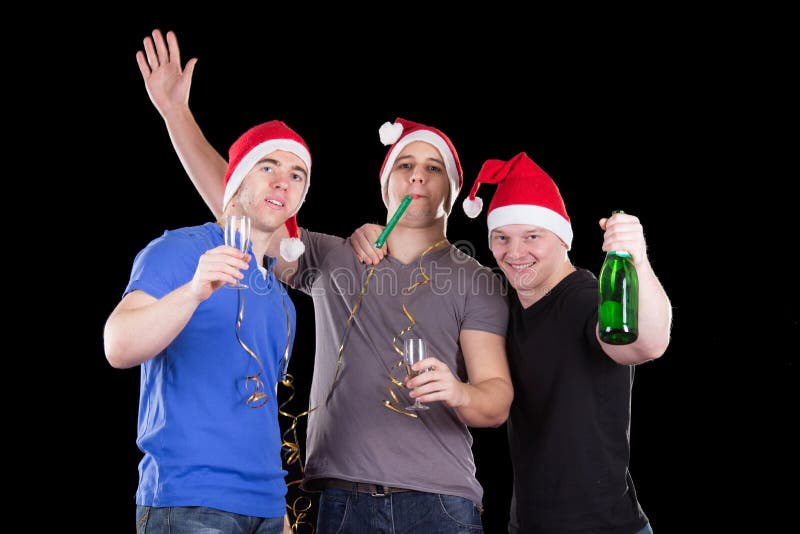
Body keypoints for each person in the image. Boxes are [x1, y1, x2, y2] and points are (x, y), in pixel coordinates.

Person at [135, 29, 514, 533]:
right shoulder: (334, 256)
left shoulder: (477, 280)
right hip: (340, 500)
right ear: (386, 183)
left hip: (441, 503)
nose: (418, 176)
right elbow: (245, 207)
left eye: (433, 168)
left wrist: (458, 392)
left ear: (454, 190)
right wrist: (176, 114)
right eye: (405, 164)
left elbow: (496, 400)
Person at [103, 118, 313, 533]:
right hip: (190, 501)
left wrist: (281, 513)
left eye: (296, 175)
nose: (282, 182)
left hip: (268, 509)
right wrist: (194, 291)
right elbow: (118, 345)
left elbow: (261, 408)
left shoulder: (281, 300)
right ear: (237, 179)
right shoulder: (181, 251)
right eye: (267, 167)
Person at [461, 152, 672, 533]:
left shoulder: (586, 300)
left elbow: (646, 345)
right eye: (502, 238)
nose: (515, 253)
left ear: (562, 238)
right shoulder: (502, 305)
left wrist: (638, 262)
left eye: (532, 236)